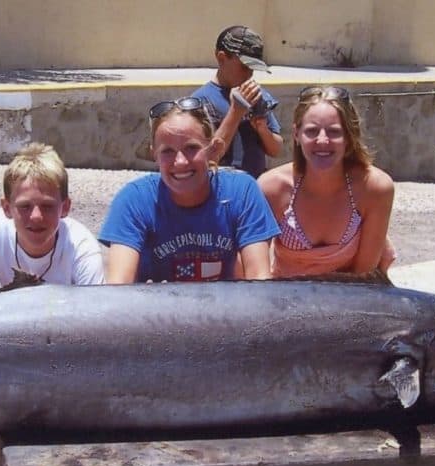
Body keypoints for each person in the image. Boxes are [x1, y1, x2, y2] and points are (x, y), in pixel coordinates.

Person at [100, 98, 278, 284]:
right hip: (156, 310)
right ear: (154, 154)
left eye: (192, 148)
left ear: (213, 148)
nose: (181, 162)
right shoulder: (133, 200)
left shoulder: (242, 192)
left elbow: (259, 279)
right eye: (167, 151)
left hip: (223, 308)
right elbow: (119, 287)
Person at [258, 86, 396, 278]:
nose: (322, 140)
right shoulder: (270, 187)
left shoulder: (375, 188)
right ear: (297, 134)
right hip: (285, 299)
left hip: (350, 297)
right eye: (312, 131)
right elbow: (256, 270)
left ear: (349, 137)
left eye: (333, 132)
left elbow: (364, 274)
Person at [0, 143, 104, 301]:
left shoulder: (82, 248)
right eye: (25, 206)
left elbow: (97, 313)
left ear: (65, 207)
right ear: (7, 208)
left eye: (47, 206)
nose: (36, 216)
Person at [192, 25, 284, 179]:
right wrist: (236, 111)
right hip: (220, 187)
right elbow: (206, 158)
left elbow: (276, 150)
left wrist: (262, 128)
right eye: (244, 67)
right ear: (221, 58)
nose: (249, 74)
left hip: (256, 185)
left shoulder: (257, 96)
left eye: (253, 69)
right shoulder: (201, 102)